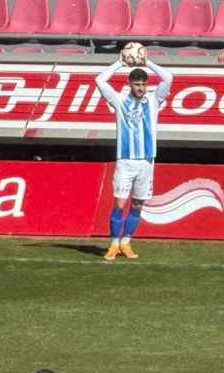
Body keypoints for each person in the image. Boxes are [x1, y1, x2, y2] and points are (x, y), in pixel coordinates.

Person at [96, 47, 173, 261]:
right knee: (120, 203)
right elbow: (100, 81)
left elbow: (168, 77)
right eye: (137, 84)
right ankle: (113, 243)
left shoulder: (154, 101)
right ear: (129, 84)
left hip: (147, 161)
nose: (140, 87)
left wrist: (147, 63)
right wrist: (119, 64)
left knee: (138, 204)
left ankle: (126, 242)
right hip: (126, 160)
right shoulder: (119, 101)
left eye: (143, 84)